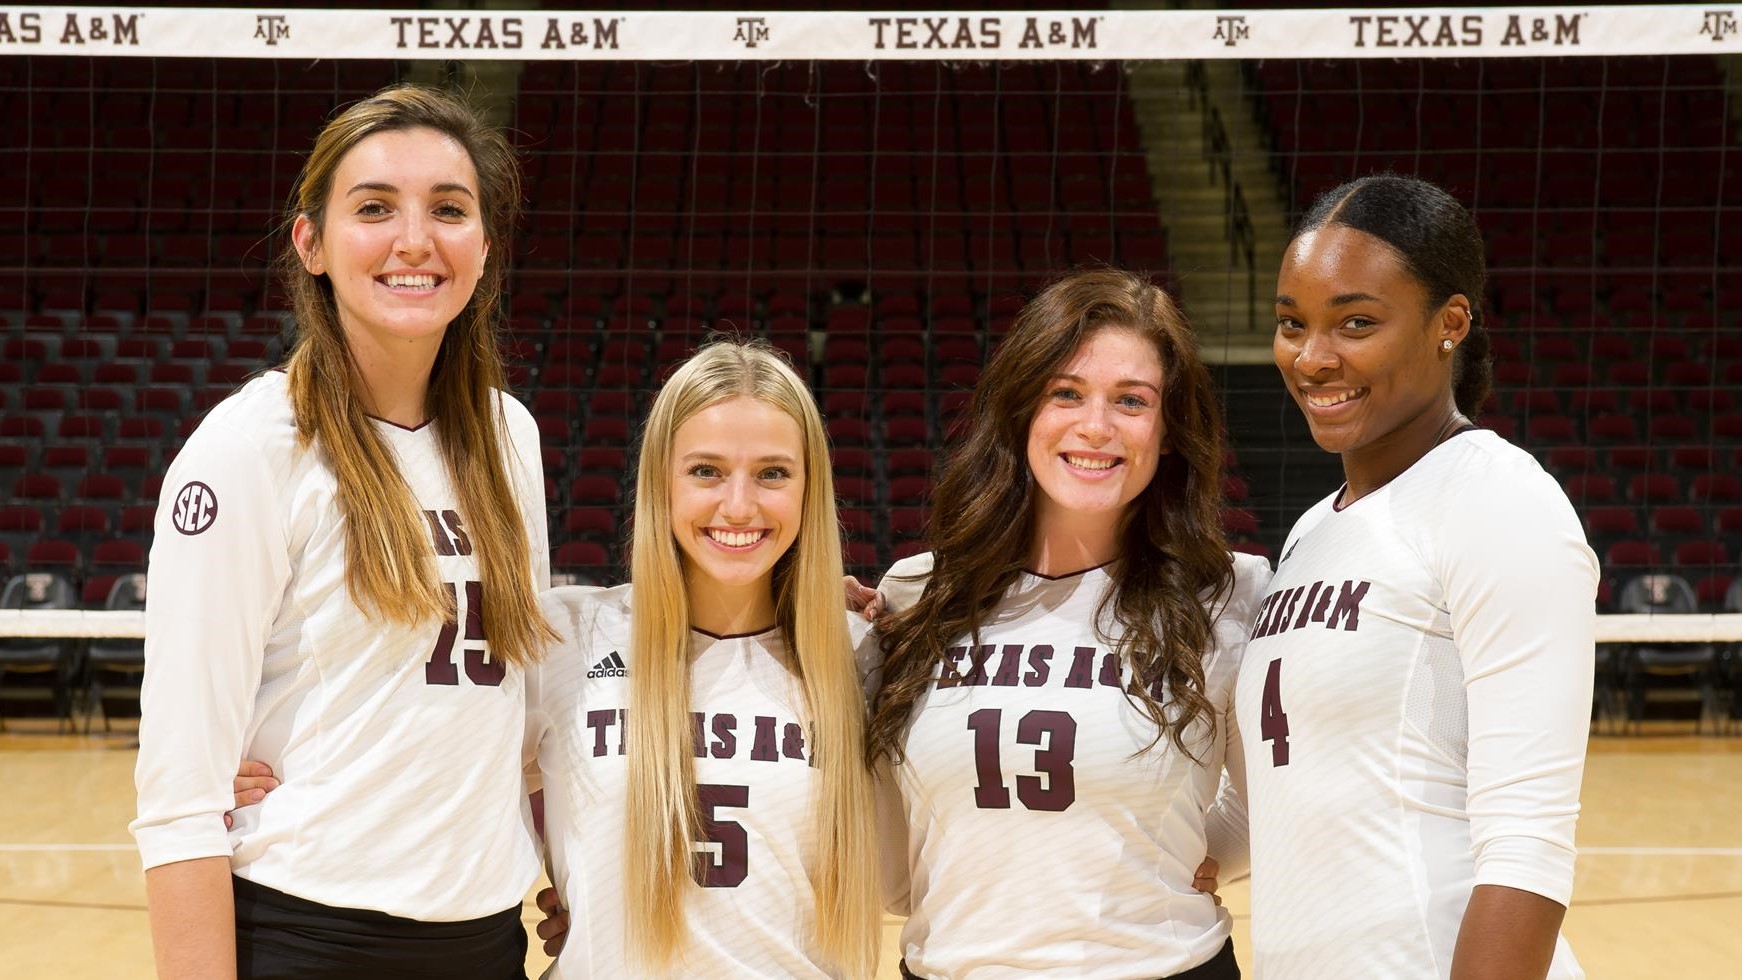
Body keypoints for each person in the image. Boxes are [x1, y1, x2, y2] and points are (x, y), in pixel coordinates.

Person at [131, 84, 553, 980]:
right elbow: (179, 795)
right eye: (373, 209)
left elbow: (523, 701)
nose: (414, 240)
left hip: (486, 938)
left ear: (483, 247)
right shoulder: (252, 447)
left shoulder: (509, 437)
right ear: (311, 243)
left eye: (449, 209)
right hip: (309, 935)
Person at [866, 268, 1271, 979]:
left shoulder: (1229, 594)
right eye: (1066, 393)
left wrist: (1205, 850)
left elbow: (1288, 789)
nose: (1096, 427)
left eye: (1131, 401)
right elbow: (892, 855)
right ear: (1022, 409)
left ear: (1169, 429)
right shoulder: (916, 594)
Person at [1243, 173, 1596, 978]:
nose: (1313, 357)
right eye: (1292, 324)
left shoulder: (1499, 500)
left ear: (1451, 324)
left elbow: (1527, 846)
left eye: (1356, 323)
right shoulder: (1312, 531)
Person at [525, 339, 881, 978]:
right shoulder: (569, 633)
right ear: (662, 481)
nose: (739, 506)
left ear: (809, 489)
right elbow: (455, 772)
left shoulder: (860, 656)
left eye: (773, 473)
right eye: (706, 470)